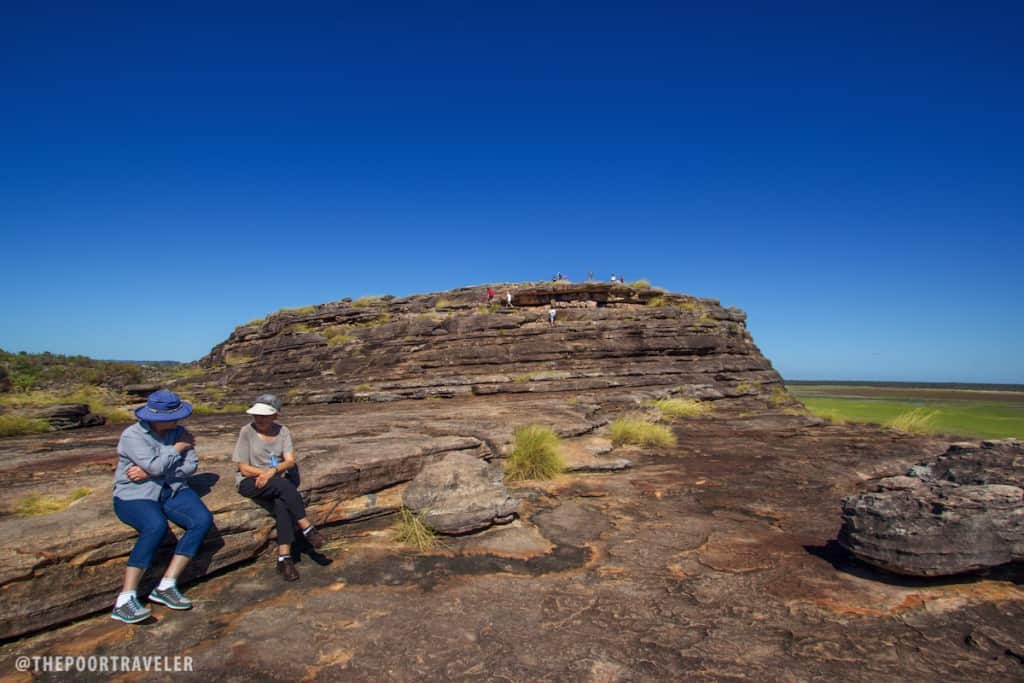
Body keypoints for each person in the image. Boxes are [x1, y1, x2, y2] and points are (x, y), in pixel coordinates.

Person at [111, 389, 213, 624]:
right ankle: (125, 599)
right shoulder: (132, 436)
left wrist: (151, 470)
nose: (178, 420)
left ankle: (166, 585)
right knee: (155, 526)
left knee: (202, 521)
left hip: (173, 488)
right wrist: (177, 449)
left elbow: (190, 467)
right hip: (135, 494)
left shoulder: (181, 432)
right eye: (172, 417)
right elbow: (162, 465)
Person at [233, 394, 324, 581]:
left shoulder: (283, 431)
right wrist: (263, 473)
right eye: (257, 415)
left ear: (275, 415)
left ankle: (284, 559)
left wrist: (271, 472)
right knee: (284, 486)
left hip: (274, 480)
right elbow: (243, 467)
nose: (259, 419)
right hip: (250, 480)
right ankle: (307, 528)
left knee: (283, 505)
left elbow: (290, 461)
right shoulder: (246, 431)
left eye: (264, 415)